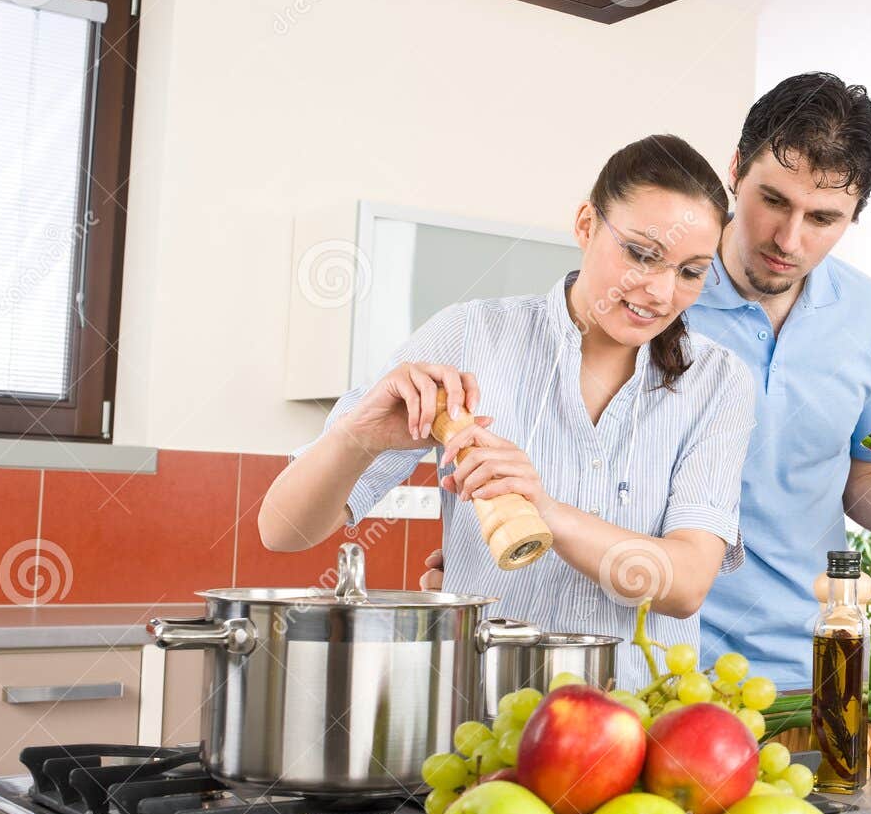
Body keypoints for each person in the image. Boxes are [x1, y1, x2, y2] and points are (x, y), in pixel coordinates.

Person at [422, 76, 871, 688]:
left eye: (824, 217)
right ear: (735, 171)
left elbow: (862, 477)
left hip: (805, 660)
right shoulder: (650, 303)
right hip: (655, 660)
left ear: (856, 215)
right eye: (773, 200)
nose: (789, 238)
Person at [259, 136, 754, 686]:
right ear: (587, 225)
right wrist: (359, 438)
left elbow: (685, 585)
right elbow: (281, 530)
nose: (661, 291)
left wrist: (546, 509)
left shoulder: (718, 382)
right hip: (481, 718)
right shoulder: (470, 336)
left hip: (639, 729)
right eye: (641, 253)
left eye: (690, 271)